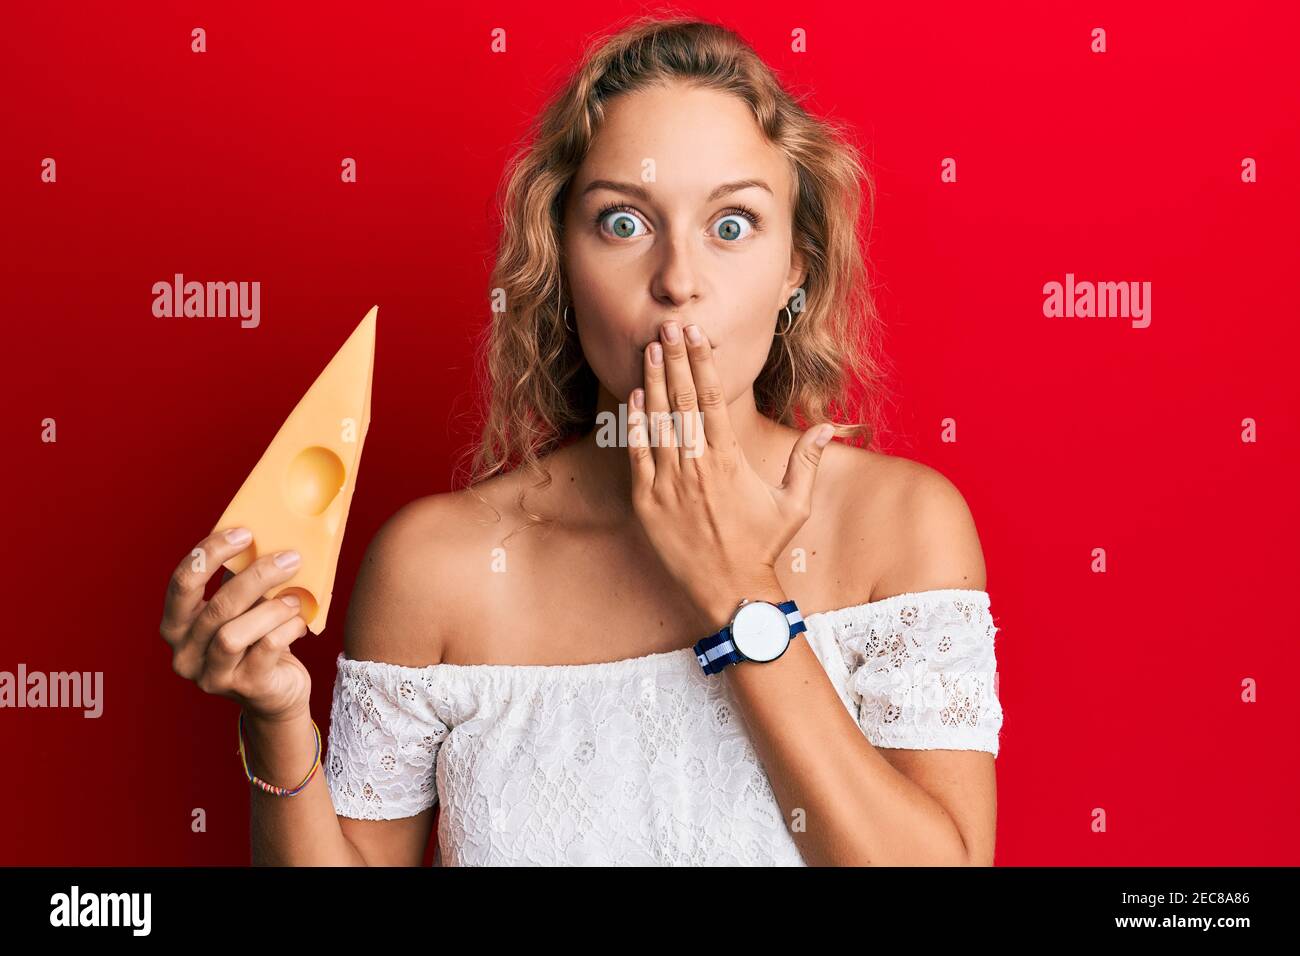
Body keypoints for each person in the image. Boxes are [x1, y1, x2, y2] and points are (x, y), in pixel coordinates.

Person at [160, 15, 1004, 867]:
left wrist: (739, 597)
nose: (678, 280)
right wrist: (274, 718)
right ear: (559, 257)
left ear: (797, 266)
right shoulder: (437, 566)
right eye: (624, 224)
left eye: (733, 224)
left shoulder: (901, 526)